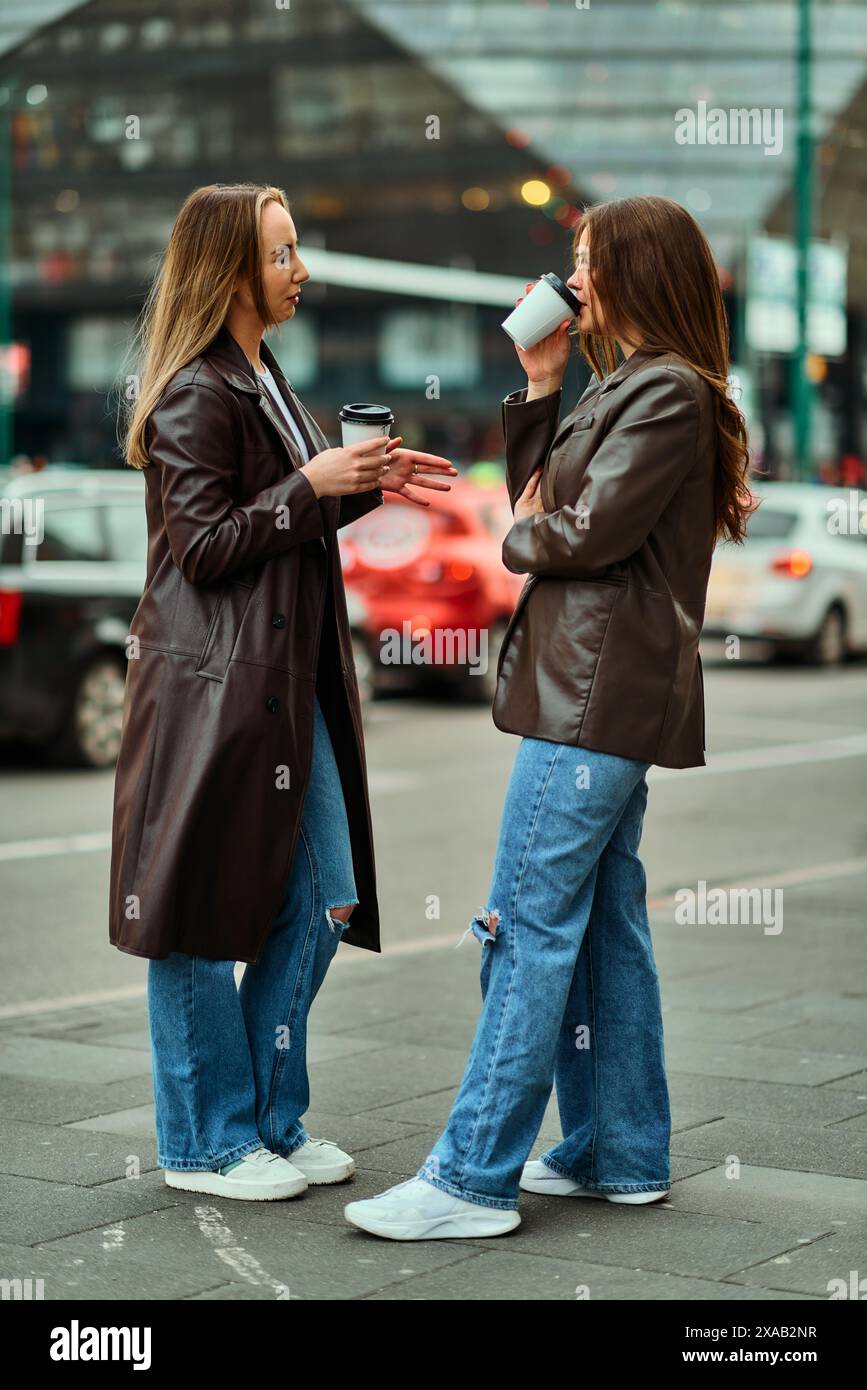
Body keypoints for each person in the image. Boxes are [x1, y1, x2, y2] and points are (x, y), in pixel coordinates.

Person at [345, 194, 753, 1240]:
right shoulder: (629, 385)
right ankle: (619, 1151)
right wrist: (539, 381)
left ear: (632, 271)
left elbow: (580, 529)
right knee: (604, 927)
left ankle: (470, 1176)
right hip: (598, 692)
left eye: (586, 261)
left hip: (594, 698)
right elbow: (555, 493)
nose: (571, 280)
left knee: (523, 923)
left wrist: (518, 535)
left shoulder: (664, 392)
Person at [111, 182, 456, 1200]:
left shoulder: (266, 379)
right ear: (229, 269)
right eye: (282, 253)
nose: (301, 269)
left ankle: (267, 1115)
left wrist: (354, 488)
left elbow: (282, 527)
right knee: (189, 914)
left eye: (297, 249)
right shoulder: (192, 391)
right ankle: (205, 1143)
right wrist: (313, 487)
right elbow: (205, 546)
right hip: (211, 689)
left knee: (325, 900)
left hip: (284, 684)